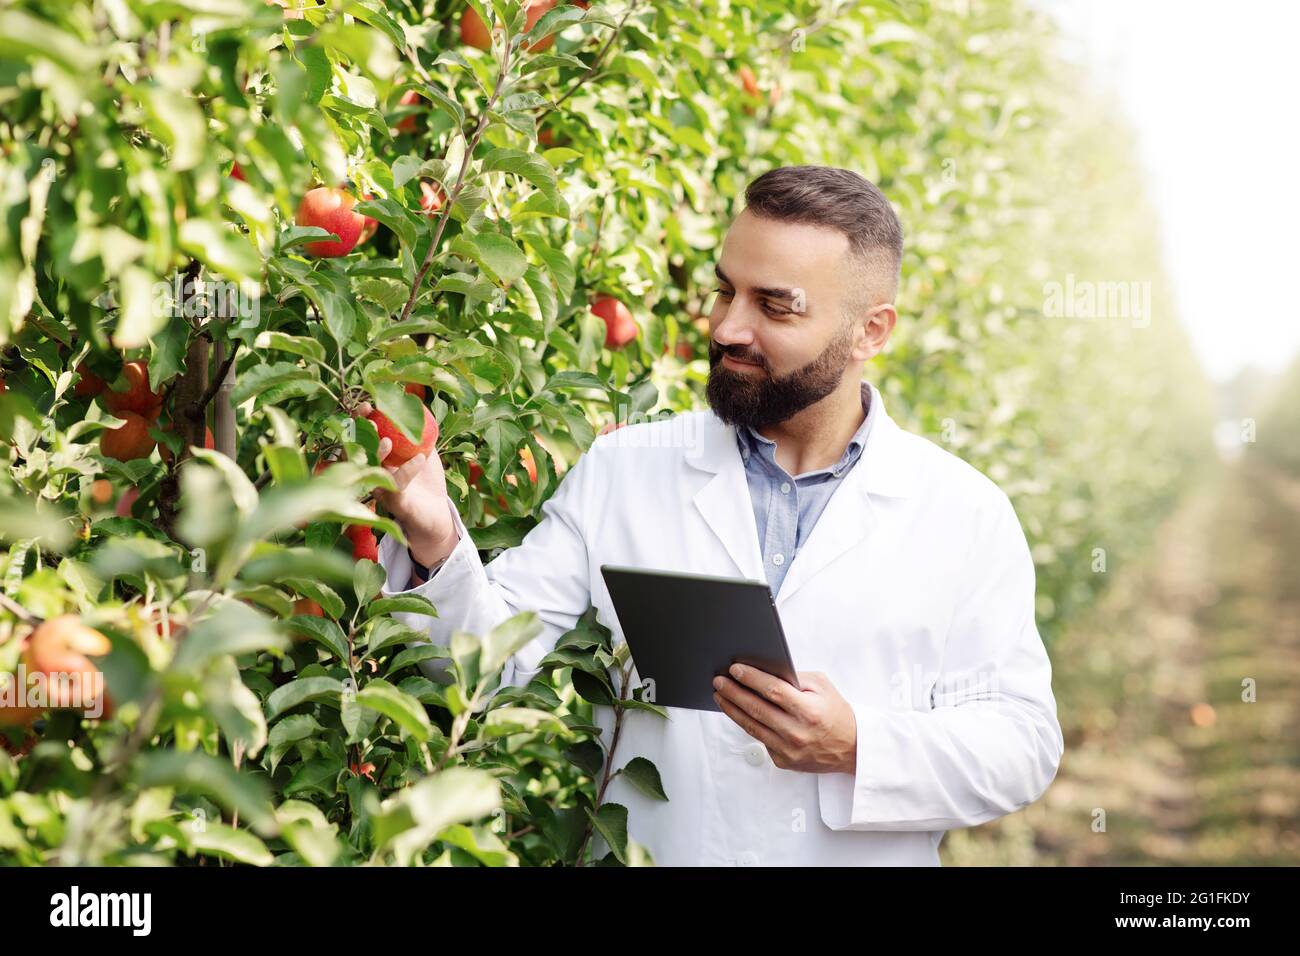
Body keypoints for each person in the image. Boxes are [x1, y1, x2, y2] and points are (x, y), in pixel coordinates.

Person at [372, 165, 1064, 866]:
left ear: (869, 332)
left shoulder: (962, 515)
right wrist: (434, 540)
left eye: (776, 305)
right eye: (725, 290)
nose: (728, 326)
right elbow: (486, 664)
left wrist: (859, 745)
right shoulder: (625, 471)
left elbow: (1021, 745)